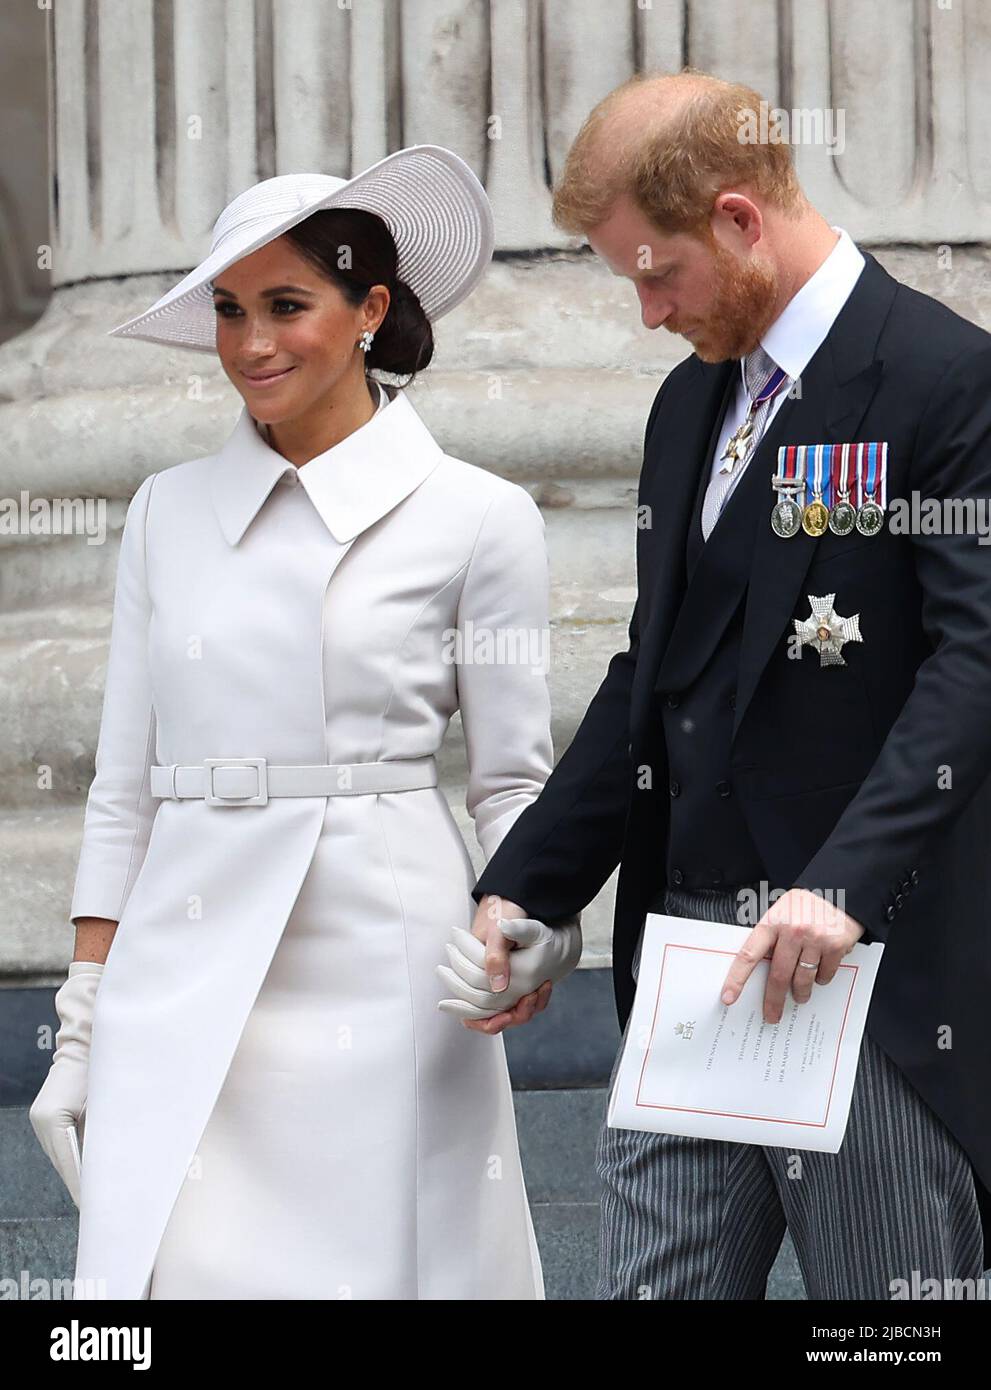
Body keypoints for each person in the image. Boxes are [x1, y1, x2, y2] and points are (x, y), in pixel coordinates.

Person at [465, 71, 991, 1299]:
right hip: (689, 968)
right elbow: (650, 672)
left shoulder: (942, 377)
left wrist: (841, 888)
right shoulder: (688, 401)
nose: (647, 312)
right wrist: (526, 885)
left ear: (741, 220)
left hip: (865, 976)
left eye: (658, 274)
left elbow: (976, 658)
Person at [29, 144, 579, 1300]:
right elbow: (122, 787)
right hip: (177, 963)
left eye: (286, 305)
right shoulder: (165, 513)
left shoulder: (482, 517)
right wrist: (83, 1018)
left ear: (371, 309)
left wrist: (541, 921)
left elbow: (511, 784)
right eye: (229, 311)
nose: (251, 344)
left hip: (387, 970)